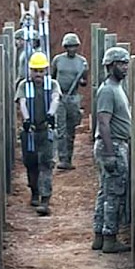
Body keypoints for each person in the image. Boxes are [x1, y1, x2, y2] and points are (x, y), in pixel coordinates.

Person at [93, 46, 132, 253]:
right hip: (113, 145)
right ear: (110, 66)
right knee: (114, 193)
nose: (125, 67)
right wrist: (109, 153)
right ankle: (109, 237)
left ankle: (100, 235)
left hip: (114, 145)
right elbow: (103, 121)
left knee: (105, 191)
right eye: (120, 63)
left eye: (126, 63)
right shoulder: (108, 90)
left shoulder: (115, 88)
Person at [16, 52, 62, 216]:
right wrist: (27, 119)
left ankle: (45, 199)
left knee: (46, 164)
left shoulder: (53, 85)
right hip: (30, 132)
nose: (38, 75)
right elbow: (22, 102)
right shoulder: (23, 86)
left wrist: (51, 114)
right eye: (35, 71)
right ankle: (34, 191)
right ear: (29, 71)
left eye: (41, 71)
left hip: (46, 131)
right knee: (31, 164)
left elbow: (56, 98)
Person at [50, 32, 89, 170]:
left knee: (71, 129)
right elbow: (52, 78)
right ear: (65, 47)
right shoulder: (58, 60)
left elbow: (85, 81)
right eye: (69, 46)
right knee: (60, 129)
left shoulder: (82, 62)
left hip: (73, 98)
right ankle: (62, 158)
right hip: (60, 98)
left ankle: (69, 158)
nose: (71, 49)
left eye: (74, 46)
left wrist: (82, 80)